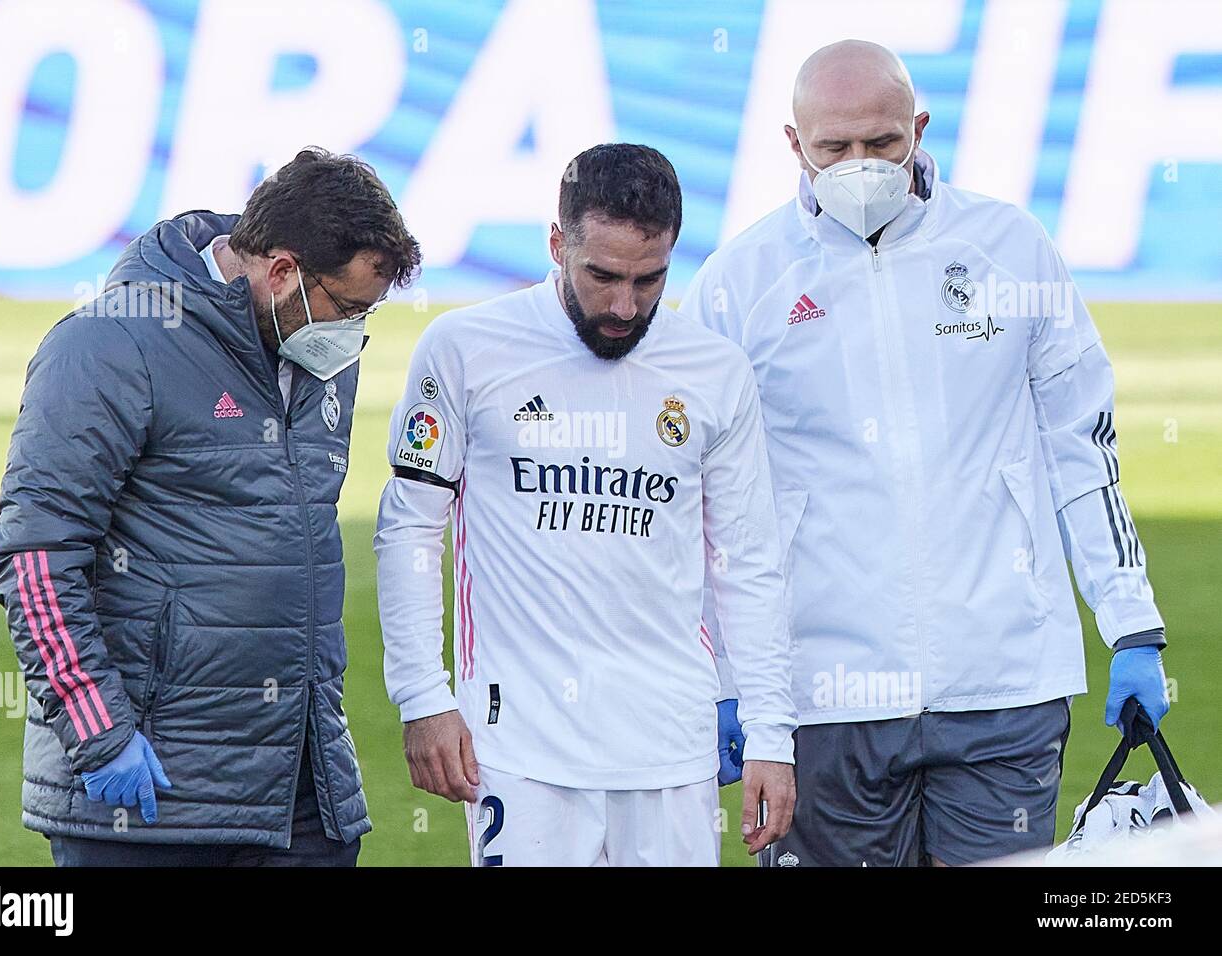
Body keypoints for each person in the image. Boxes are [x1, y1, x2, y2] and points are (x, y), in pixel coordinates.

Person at [680, 40, 1169, 867]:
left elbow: (1084, 448)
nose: (860, 165)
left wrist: (1132, 625)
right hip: (820, 691)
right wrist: (725, 681)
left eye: (882, 142)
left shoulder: (1012, 251)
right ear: (794, 145)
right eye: (834, 149)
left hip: (1004, 676)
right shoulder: (737, 286)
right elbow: (702, 502)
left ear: (920, 127)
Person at [0, 147, 421, 866]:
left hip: (300, 795)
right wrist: (100, 731)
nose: (354, 333)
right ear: (281, 272)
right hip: (151, 797)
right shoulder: (109, 345)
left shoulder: (313, 349)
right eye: (348, 308)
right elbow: (33, 555)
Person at [374, 143, 797, 866]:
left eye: (650, 279)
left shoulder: (714, 372)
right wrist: (422, 696)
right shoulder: (467, 348)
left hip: (670, 748)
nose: (624, 306)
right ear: (555, 244)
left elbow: (748, 559)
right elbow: (410, 526)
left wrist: (770, 731)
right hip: (520, 748)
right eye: (602, 276)